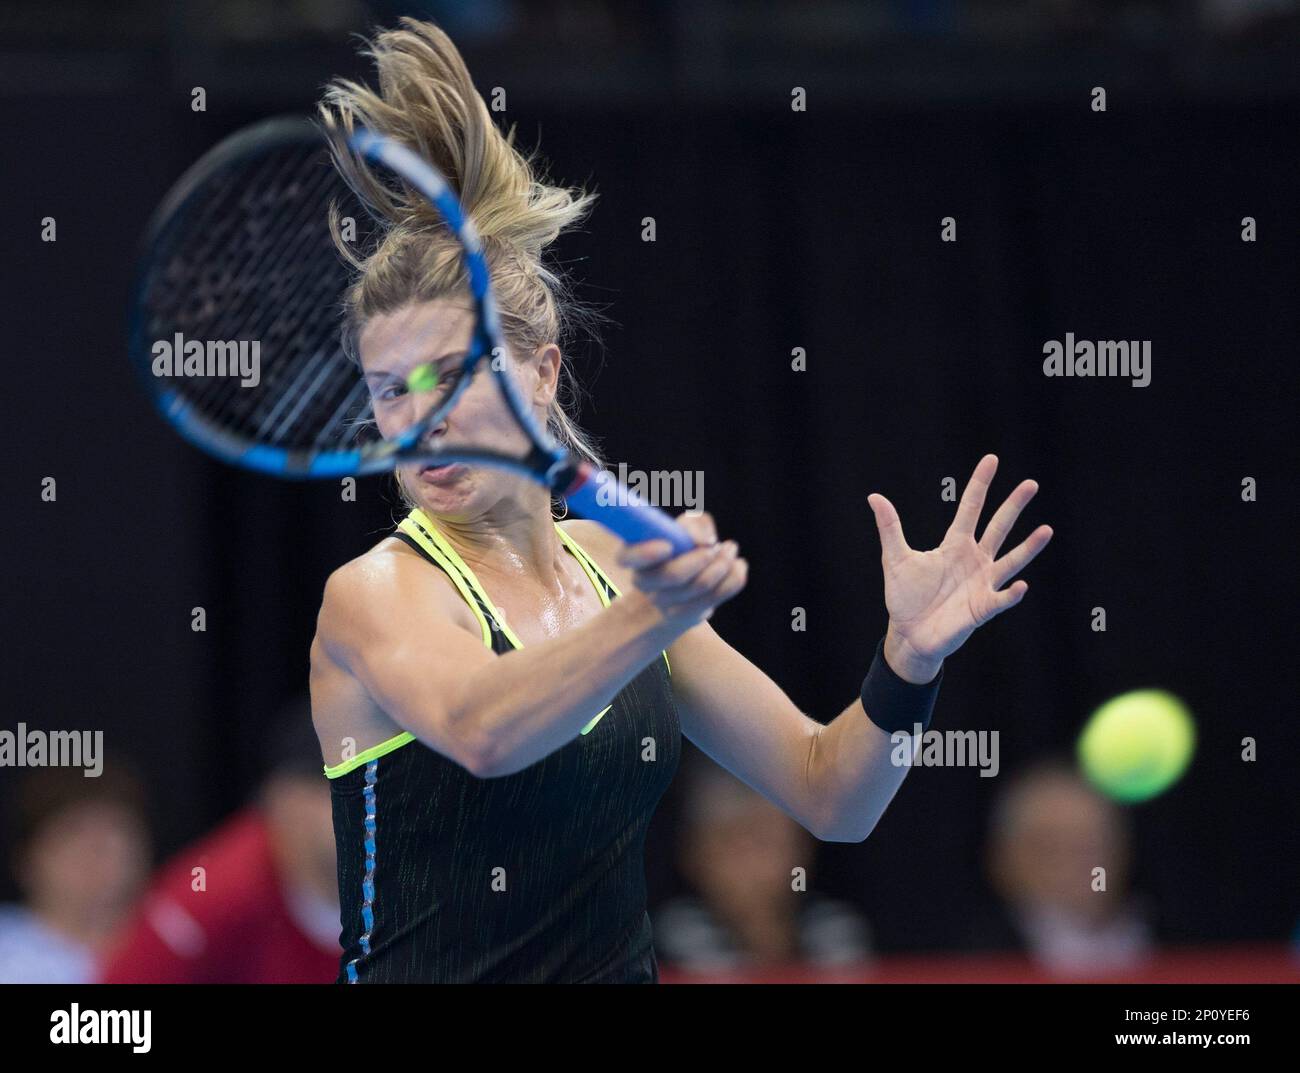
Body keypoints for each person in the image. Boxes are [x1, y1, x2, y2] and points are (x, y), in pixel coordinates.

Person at [309, 17, 1052, 983]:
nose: (421, 423)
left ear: (541, 374)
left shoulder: (614, 569)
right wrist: (650, 616)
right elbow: (485, 731)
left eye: (452, 376)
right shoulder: (375, 592)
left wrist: (906, 665)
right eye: (388, 393)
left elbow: (834, 795)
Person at [99, 701, 340, 983]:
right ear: (284, 800)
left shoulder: (400, 879)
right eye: (345, 788)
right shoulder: (211, 899)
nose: (375, 807)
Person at [653, 754, 870, 973]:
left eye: (767, 841)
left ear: (802, 849)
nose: (754, 863)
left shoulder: (834, 930)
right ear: (696, 855)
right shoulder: (673, 939)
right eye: (734, 845)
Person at [974, 760, 1153, 976]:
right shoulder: (974, 964)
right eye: (1051, 847)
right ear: (1004, 861)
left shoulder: (1178, 941)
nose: (1078, 864)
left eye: (1093, 845)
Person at [0, 765, 150, 984]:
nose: (95, 850)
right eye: (73, 833)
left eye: (113, 833)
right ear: (26, 860)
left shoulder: (185, 939)